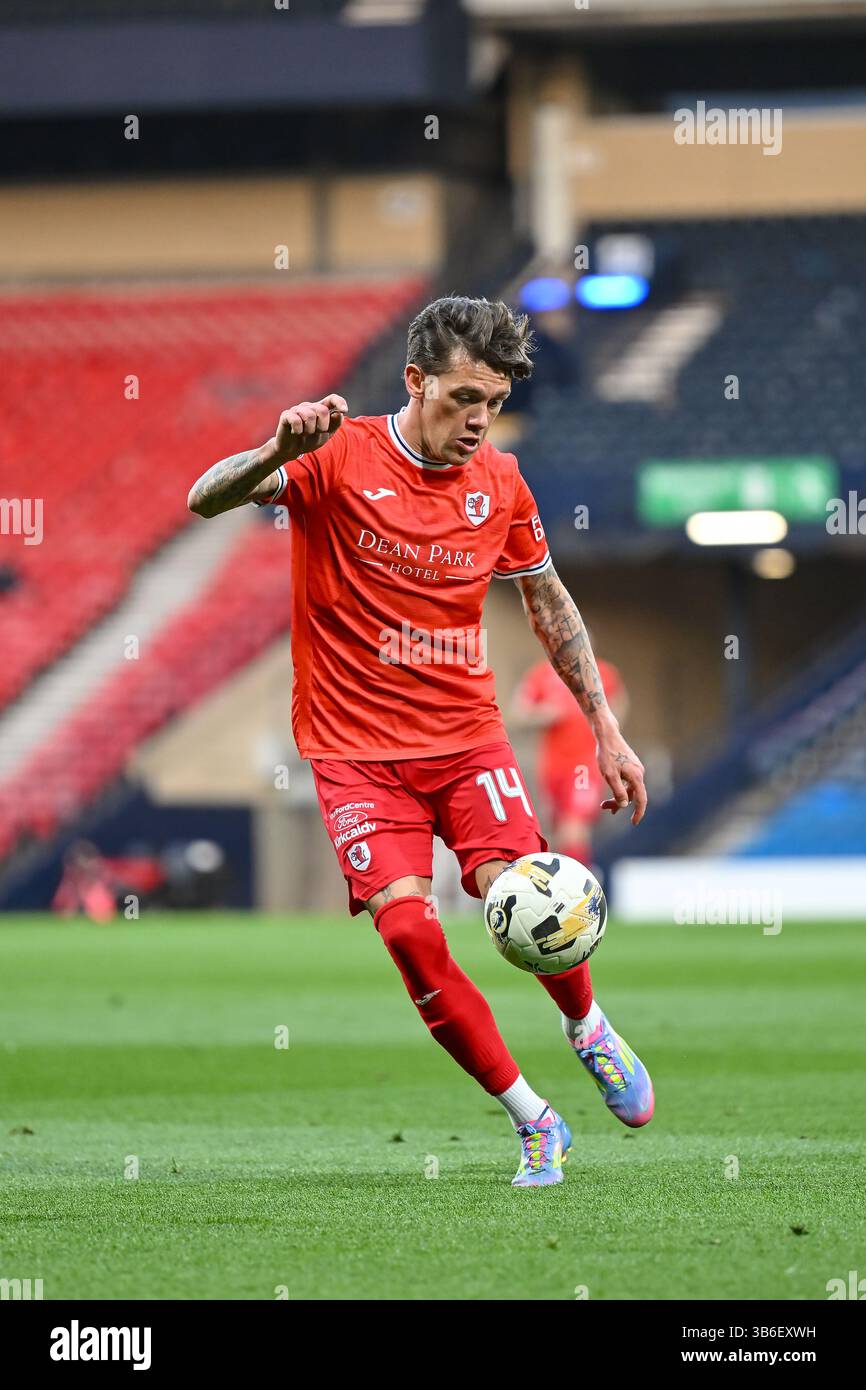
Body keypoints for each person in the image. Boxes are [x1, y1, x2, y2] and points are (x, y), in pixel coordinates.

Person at [188, 295, 653, 1188]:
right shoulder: (335, 452)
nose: (479, 419)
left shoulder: (502, 484)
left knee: (531, 899)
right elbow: (204, 500)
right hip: (355, 754)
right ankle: (535, 1120)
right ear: (415, 380)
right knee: (409, 930)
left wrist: (608, 729)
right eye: (463, 398)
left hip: (466, 743)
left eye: (495, 401)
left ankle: (587, 1026)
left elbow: (549, 604)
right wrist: (279, 450)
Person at [512, 648, 628, 871]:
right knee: (558, 832)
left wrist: (610, 734)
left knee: (574, 827)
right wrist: (543, 714)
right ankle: (565, 883)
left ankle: (578, 889)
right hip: (552, 767)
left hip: (584, 766)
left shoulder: (601, 672)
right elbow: (519, 711)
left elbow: (620, 704)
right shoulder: (541, 674)